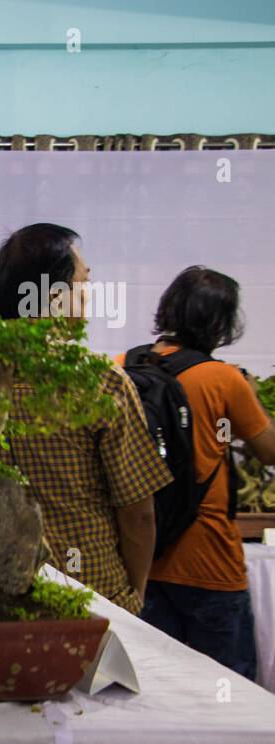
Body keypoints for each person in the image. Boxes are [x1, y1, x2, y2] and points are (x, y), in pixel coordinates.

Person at [0, 223, 171, 613]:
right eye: (84, 282)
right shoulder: (98, 379)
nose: (88, 295)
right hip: (91, 596)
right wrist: (133, 596)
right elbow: (138, 513)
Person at [122, 267, 275, 679]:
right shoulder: (223, 379)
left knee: (156, 690)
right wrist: (254, 398)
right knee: (232, 691)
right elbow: (270, 452)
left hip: (142, 559)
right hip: (210, 561)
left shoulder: (122, 368)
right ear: (221, 323)